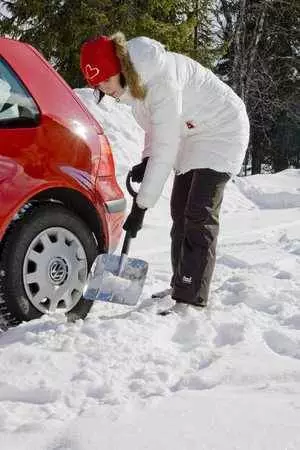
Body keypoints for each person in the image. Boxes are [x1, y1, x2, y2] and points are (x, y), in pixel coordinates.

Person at [80, 33, 250, 310]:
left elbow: (166, 146)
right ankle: (180, 283)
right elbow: (155, 128)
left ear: (120, 69)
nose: (103, 88)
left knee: (199, 213)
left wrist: (141, 207)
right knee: (179, 211)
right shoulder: (135, 82)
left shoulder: (161, 81)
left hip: (223, 130)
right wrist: (147, 159)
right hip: (191, 133)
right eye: (96, 84)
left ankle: (191, 298)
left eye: (105, 80)